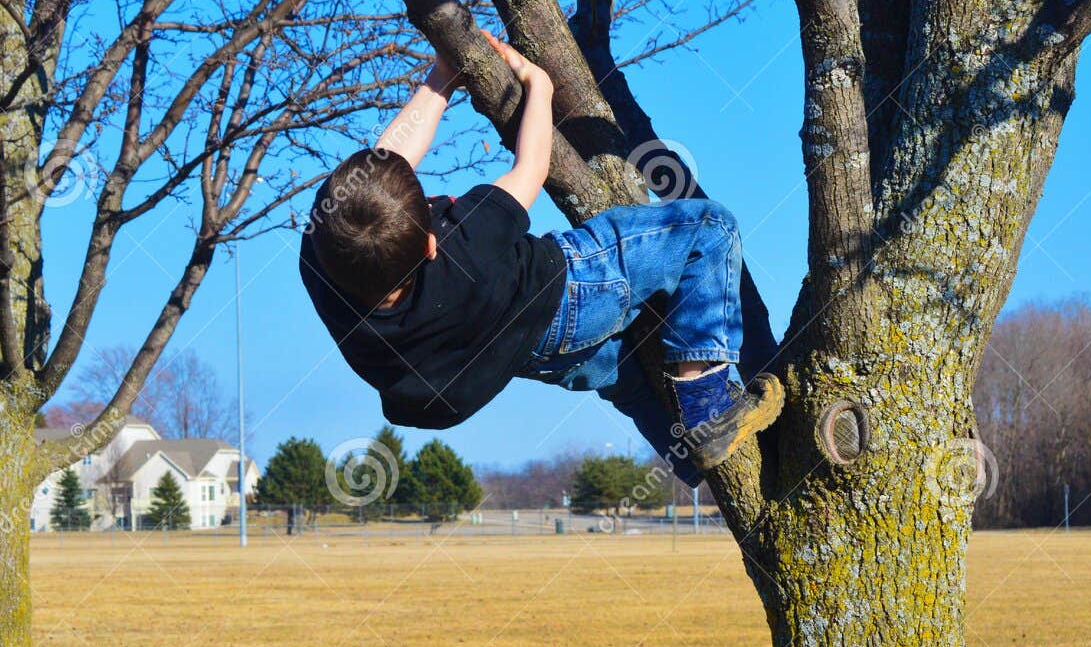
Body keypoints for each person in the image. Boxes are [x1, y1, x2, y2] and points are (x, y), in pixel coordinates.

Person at [298, 33, 782, 479]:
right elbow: (531, 167)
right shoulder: (464, 243)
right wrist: (540, 84)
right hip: (570, 297)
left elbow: (384, 166)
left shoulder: (326, 258)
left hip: (525, 355)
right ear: (429, 245)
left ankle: (693, 459)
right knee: (709, 228)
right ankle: (705, 401)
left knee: (630, 379)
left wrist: (442, 76)